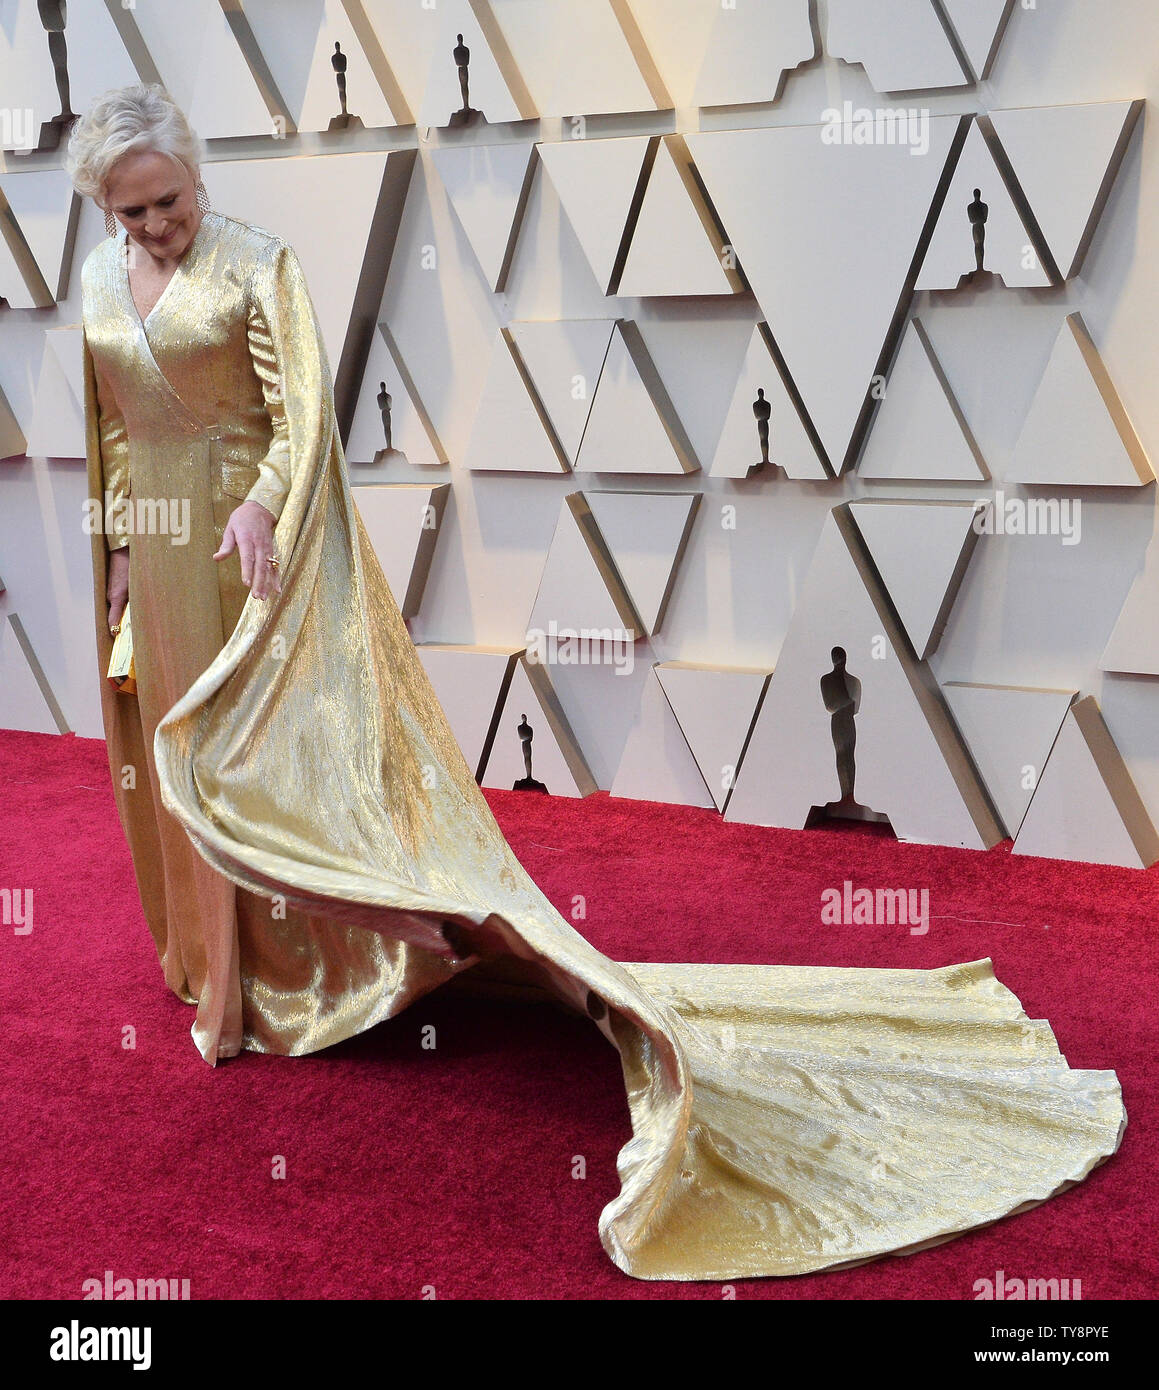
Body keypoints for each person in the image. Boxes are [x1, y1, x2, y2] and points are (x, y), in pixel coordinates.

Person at [67, 83, 1125, 1282]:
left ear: (197, 172)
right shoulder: (102, 282)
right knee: (171, 757)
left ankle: (298, 971)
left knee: (245, 756)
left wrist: (262, 504)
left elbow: (303, 414)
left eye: (168, 201)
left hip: (250, 545)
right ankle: (216, 969)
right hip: (159, 552)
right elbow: (109, 424)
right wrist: (111, 545)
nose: (155, 227)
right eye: (131, 212)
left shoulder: (259, 264)